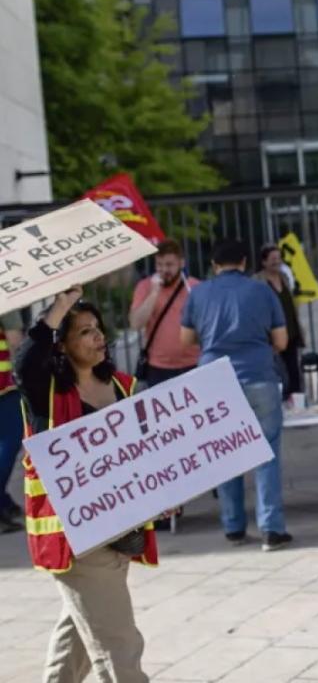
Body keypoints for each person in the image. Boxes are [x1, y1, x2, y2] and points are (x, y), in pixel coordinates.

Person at [19, 286, 156, 682]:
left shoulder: (123, 387)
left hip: (119, 529)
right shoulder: (47, 393)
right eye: (84, 331)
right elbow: (26, 363)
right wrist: (60, 304)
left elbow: (146, 454)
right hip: (76, 536)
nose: (99, 337)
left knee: (77, 640)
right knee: (119, 646)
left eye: (98, 329)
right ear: (61, 345)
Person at [181, 238, 293, 551]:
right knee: (267, 451)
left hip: (214, 380)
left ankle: (233, 527)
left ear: (214, 266)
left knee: (225, 452)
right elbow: (282, 341)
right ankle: (271, 529)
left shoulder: (199, 292)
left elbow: (184, 339)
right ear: (244, 263)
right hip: (258, 375)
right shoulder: (262, 290)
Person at [128, 239, 200, 386]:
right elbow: (136, 323)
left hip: (194, 363)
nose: (164, 270)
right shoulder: (145, 287)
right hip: (159, 368)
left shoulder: (194, 287)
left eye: (169, 265)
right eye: (159, 265)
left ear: (181, 263)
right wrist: (154, 293)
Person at [257, 243, 305, 396]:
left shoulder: (284, 277)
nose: (277, 261)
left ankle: (296, 400)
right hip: (271, 336)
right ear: (264, 262)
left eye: (278, 258)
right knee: (278, 373)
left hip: (289, 330)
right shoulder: (257, 282)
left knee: (294, 370)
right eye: (272, 259)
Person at [0, 311, 25, 532]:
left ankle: (4, 502)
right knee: (8, 446)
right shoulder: (4, 296)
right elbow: (15, 340)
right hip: (4, 389)